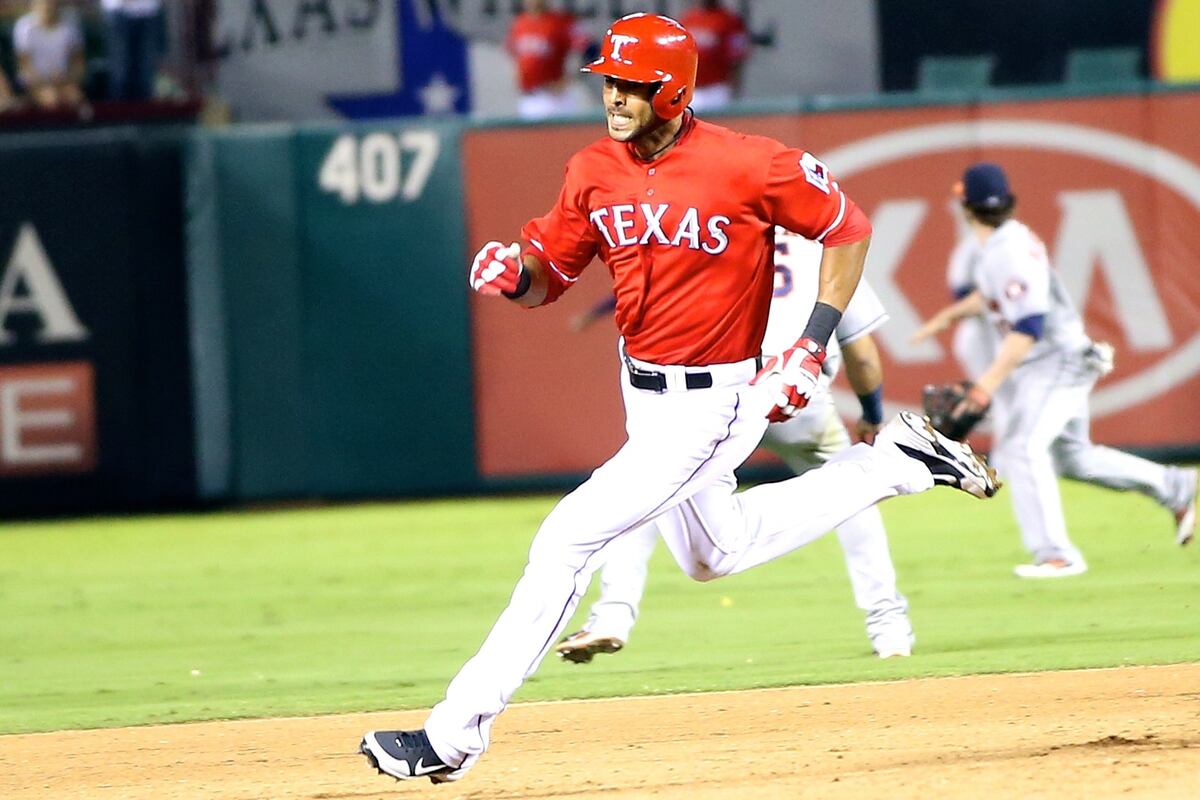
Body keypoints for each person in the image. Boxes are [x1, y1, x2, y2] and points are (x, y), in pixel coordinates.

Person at [359, 14, 999, 784]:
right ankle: (894, 462)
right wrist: (515, 276)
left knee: (565, 542)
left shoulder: (749, 163)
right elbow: (550, 274)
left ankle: (450, 736)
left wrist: (808, 342)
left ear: (672, 88)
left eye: (629, 82)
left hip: (716, 400)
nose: (614, 95)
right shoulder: (593, 168)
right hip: (642, 392)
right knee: (710, 553)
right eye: (609, 81)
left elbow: (847, 227)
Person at [557, 229, 914, 664]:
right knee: (854, 494)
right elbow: (861, 353)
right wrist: (873, 413)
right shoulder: (825, 248)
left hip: (717, 395)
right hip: (796, 396)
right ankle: (889, 629)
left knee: (649, 487)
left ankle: (613, 613)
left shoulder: (712, 231)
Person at [912, 162, 1198, 578]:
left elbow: (1028, 326)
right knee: (1074, 458)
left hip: (1055, 361)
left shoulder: (1007, 249)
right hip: (1052, 360)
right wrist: (949, 316)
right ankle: (1172, 486)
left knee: (1022, 448)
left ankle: (1056, 554)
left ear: (966, 205)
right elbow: (997, 299)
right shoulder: (1003, 245)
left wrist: (984, 387)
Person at [506, 0, 587, 120]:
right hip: (529, 97)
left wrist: (570, 78)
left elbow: (589, 50)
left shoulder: (561, 22)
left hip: (554, 98)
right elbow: (514, 54)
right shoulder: (519, 24)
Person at [12, 0, 85, 110]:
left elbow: (78, 63)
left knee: (75, 98)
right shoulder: (24, 27)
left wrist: (67, 78)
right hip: (36, 84)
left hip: (65, 81)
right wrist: (46, 81)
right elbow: (24, 66)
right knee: (51, 99)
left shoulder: (70, 25)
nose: (48, 6)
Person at [679, 0, 748, 112]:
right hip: (691, 89)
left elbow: (736, 59)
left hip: (717, 88)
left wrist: (733, 90)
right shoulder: (688, 19)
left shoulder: (730, 21)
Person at [101, 0, 165, 101]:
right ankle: (119, 113)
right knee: (120, 74)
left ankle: (145, 114)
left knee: (145, 74)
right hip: (117, 10)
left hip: (148, 11)